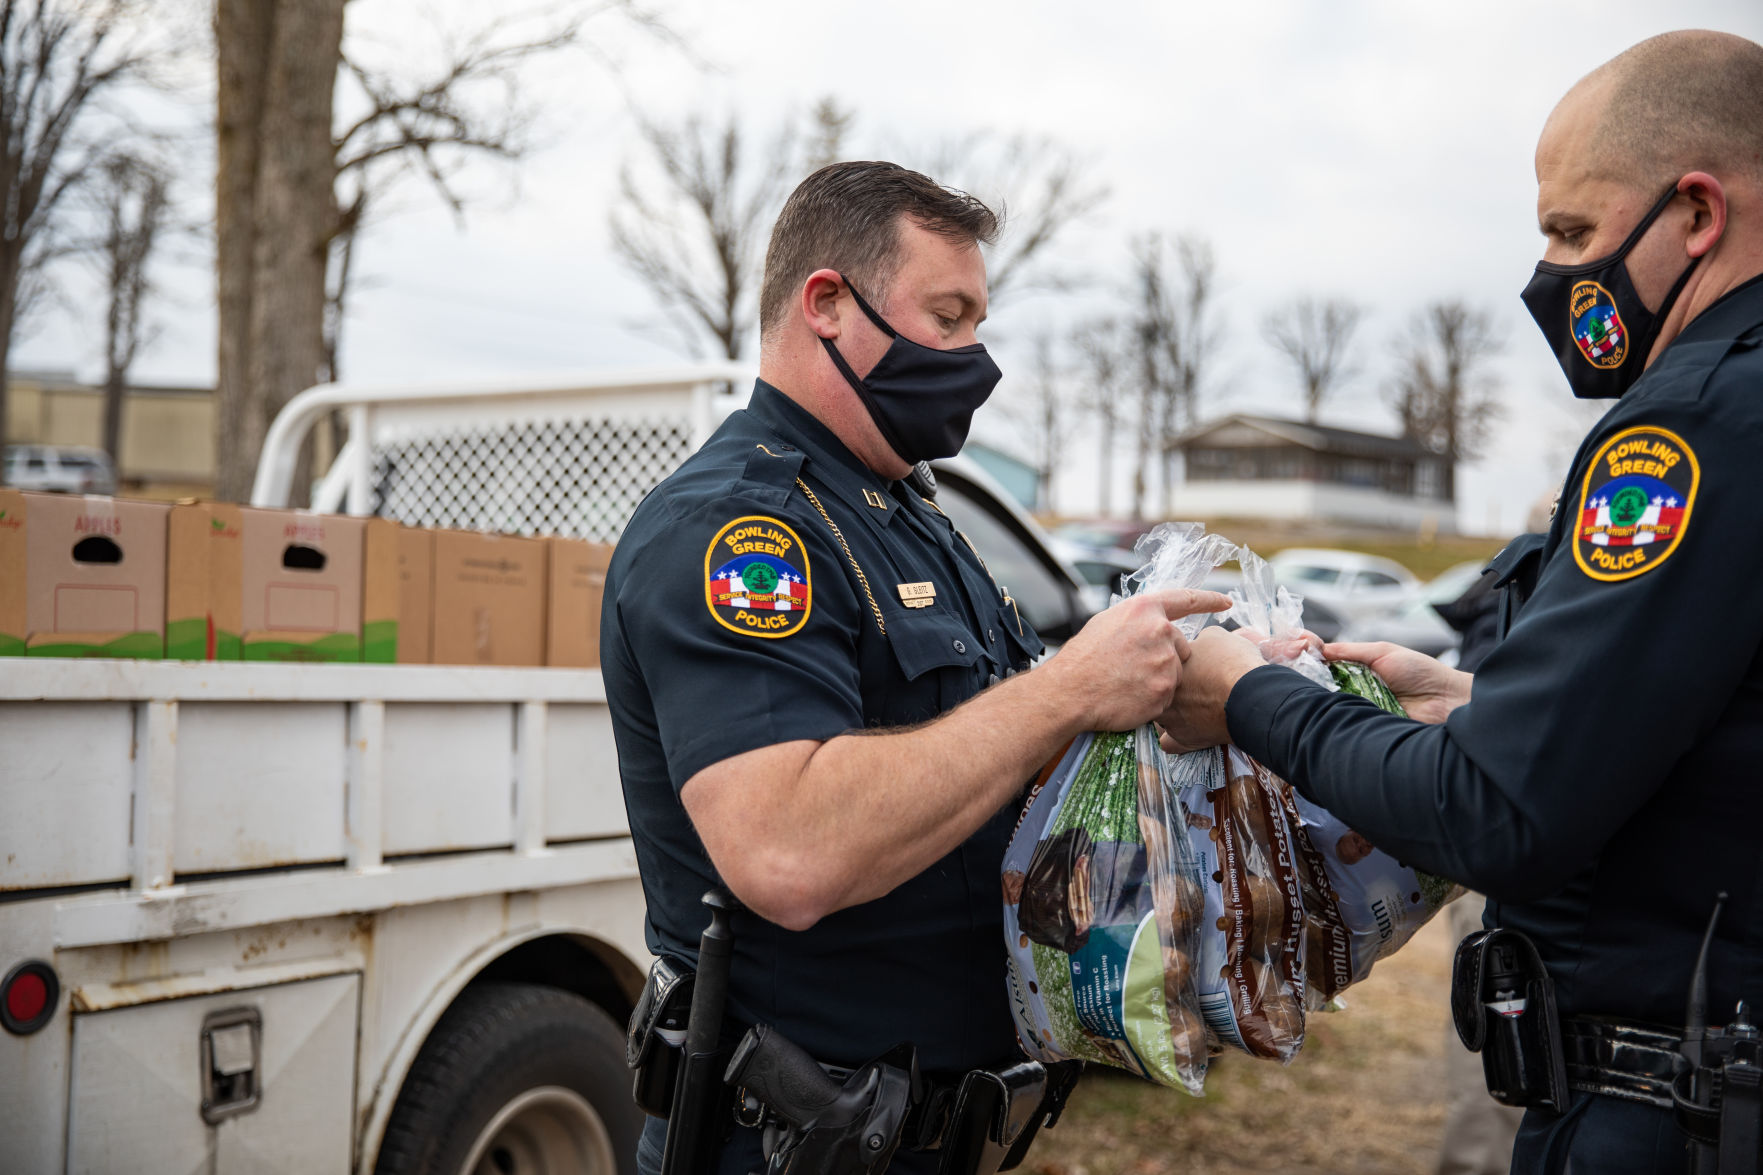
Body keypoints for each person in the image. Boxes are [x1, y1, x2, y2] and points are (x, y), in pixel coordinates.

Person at [1159, 30, 1763, 1175]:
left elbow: (1494, 813)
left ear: (1696, 213)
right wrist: (1473, 696)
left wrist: (1248, 696)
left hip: (1671, 1114)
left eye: (1572, 232)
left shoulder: (1686, 430)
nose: (1550, 271)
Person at [602, 160, 1227, 1175]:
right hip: (787, 1144)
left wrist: (1183, 692)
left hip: (935, 1131)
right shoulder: (742, 527)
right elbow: (786, 849)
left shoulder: (912, 518)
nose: (976, 360)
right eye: (948, 316)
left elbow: (1016, 752)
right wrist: (1066, 686)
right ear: (827, 305)